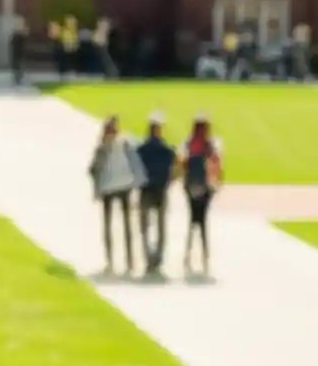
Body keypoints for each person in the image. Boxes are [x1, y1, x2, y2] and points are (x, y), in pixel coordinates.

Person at [88, 116, 147, 274]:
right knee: (115, 225)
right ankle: (116, 261)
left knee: (121, 225)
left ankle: (124, 261)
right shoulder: (106, 147)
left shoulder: (120, 143)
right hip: (114, 187)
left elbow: (135, 159)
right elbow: (93, 169)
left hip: (119, 186)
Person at [180, 114, 223, 275]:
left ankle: (188, 253)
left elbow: (182, 162)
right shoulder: (209, 145)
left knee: (192, 220)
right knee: (203, 221)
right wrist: (217, 182)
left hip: (191, 186)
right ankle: (204, 254)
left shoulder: (190, 143)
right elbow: (217, 163)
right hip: (205, 187)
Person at [135, 112, 177, 275]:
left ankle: (148, 256)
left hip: (146, 190)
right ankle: (158, 256)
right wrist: (168, 182)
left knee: (145, 226)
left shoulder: (141, 149)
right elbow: (174, 169)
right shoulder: (167, 150)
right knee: (161, 225)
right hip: (160, 190)